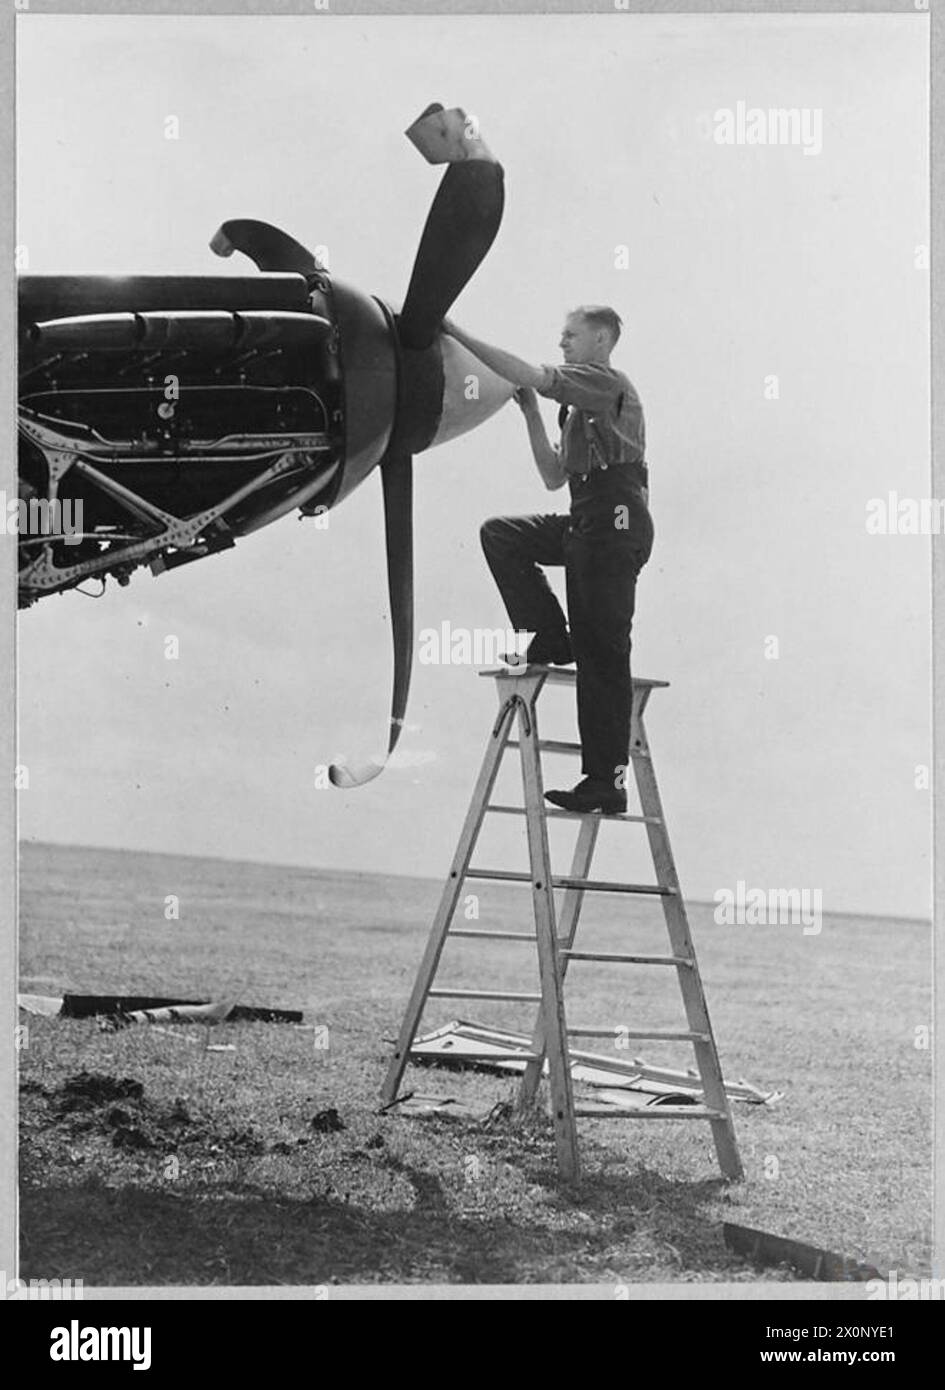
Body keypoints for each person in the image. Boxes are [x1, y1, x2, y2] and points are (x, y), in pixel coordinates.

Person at [442, 306, 653, 814]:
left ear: (601, 339)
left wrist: (457, 333)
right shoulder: (578, 407)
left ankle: (605, 781)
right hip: (586, 522)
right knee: (502, 536)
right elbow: (554, 477)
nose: (562, 343)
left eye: (570, 335)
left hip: (616, 522)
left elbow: (535, 374)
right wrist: (533, 415)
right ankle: (548, 637)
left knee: (602, 652)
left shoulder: (605, 382)